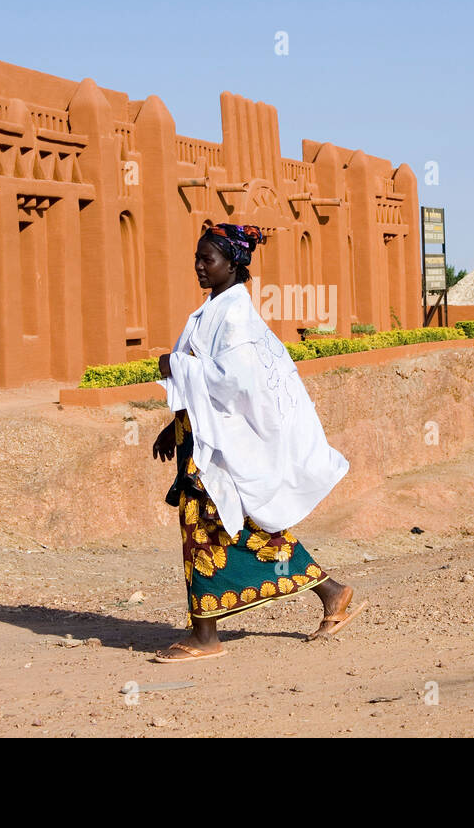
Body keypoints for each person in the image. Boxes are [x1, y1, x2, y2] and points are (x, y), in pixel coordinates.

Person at [150, 223, 366, 662]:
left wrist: (172, 365)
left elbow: (236, 382)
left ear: (233, 264)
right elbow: (203, 373)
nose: (198, 267)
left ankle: (207, 637)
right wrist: (175, 424)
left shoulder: (235, 317)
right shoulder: (213, 310)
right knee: (239, 530)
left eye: (207, 259)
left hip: (221, 445)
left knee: (204, 530)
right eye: (196, 258)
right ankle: (331, 592)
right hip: (202, 440)